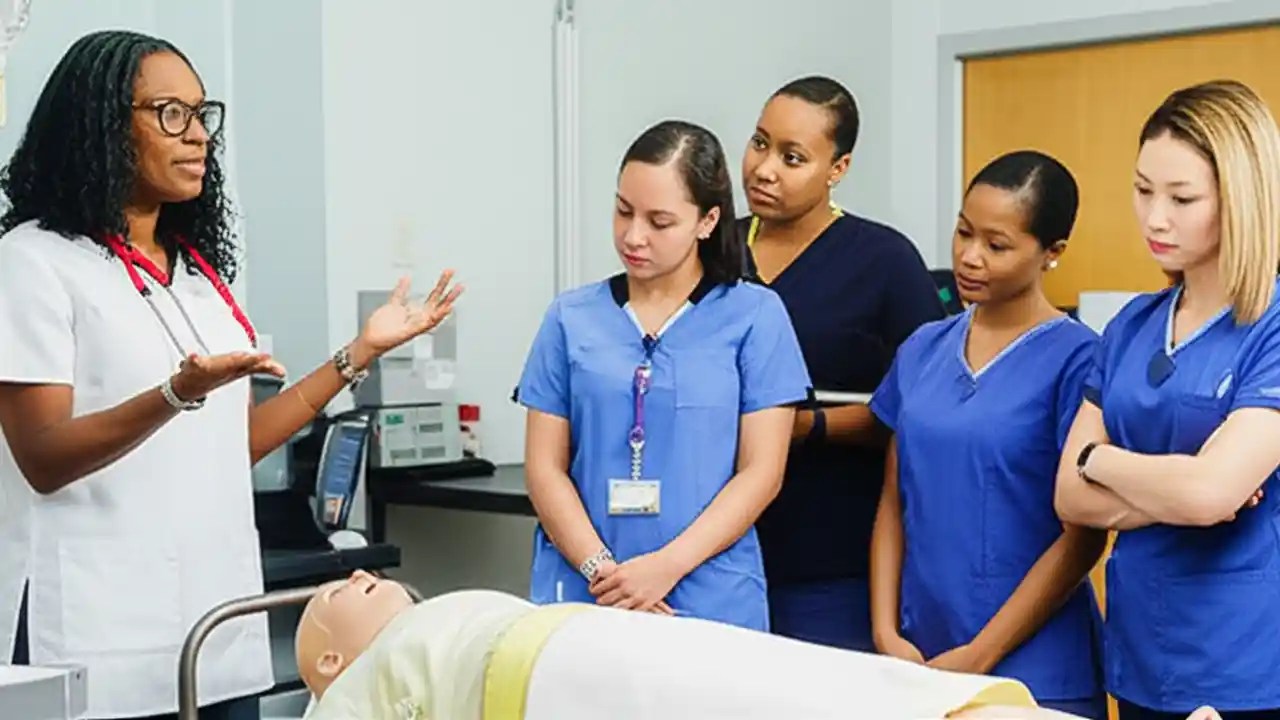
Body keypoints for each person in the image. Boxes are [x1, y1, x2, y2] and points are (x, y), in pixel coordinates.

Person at [0, 30, 461, 720]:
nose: (197, 136)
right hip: (96, 628)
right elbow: (42, 457)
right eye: (170, 114)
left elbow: (231, 446)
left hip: (214, 627)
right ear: (99, 123)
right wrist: (175, 393)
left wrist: (358, 354)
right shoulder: (34, 261)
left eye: (203, 113)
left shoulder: (200, 274)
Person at [513, 119, 811, 631]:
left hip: (708, 593)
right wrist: (602, 572)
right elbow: (544, 468)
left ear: (707, 221)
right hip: (586, 593)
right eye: (623, 211)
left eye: (659, 221)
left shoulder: (755, 317)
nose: (633, 236)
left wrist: (664, 568)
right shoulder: (570, 317)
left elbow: (762, 473)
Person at [1054, 79, 1280, 720]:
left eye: (1182, 198)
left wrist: (1102, 461)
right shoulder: (1130, 325)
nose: (1154, 217)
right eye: (1143, 189)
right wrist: (1185, 491)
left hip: (1245, 659)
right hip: (1143, 651)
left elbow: (1209, 494)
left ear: (1240, 198)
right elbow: (1069, 496)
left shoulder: (1271, 323)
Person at [868, 150, 1107, 718]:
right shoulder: (923, 348)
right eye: (963, 232)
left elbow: (1083, 536)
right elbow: (893, 502)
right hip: (916, 653)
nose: (970, 258)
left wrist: (981, 654)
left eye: (997, 246)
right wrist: (884, 635)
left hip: (1033, 664)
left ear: (1052, 253)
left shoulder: (1080, 361)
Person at [738, 75, 946, 650]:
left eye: (793, 157)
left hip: (830, 562)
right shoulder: (711, 252)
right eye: (759, 143)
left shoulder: (883, 262)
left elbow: (927, 408)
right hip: (713, 552)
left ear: (838, 168)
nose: (764, 168)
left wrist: (809, 427)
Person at [295, 571, 1051, 720]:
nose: (357, 573)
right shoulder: (369, 678)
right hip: (550, 681)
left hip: (581, 634)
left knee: (796, 679)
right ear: (332, 663)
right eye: (335, 595)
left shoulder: (443, 615)